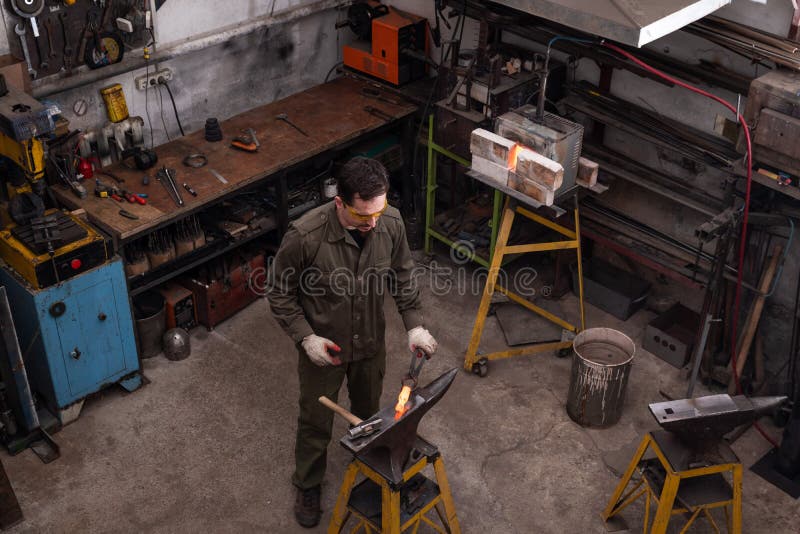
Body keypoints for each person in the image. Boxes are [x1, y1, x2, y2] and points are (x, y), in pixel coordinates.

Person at [268, 157, 438, 528]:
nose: (373, 223)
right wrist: (305, 337)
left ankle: (369, 468)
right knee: (315, 420)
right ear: (339, 203)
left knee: (369, 417)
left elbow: (404, 277)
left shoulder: (388, 222)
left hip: (370, 344)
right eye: (364, 216)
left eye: (379, 211)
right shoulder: (305, 236)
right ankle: (309, 483)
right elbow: (279, 293)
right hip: (324, 349)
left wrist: (414, 326)